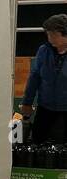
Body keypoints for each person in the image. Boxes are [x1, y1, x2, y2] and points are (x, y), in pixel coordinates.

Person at [20, 13, 67, 146]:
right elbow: (34, 77)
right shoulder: (43, 50)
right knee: (37, 141)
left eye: (53, 34)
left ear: (64, 34)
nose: (49, 38)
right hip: (45, 107)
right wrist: (27, 103)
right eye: (48, 34)